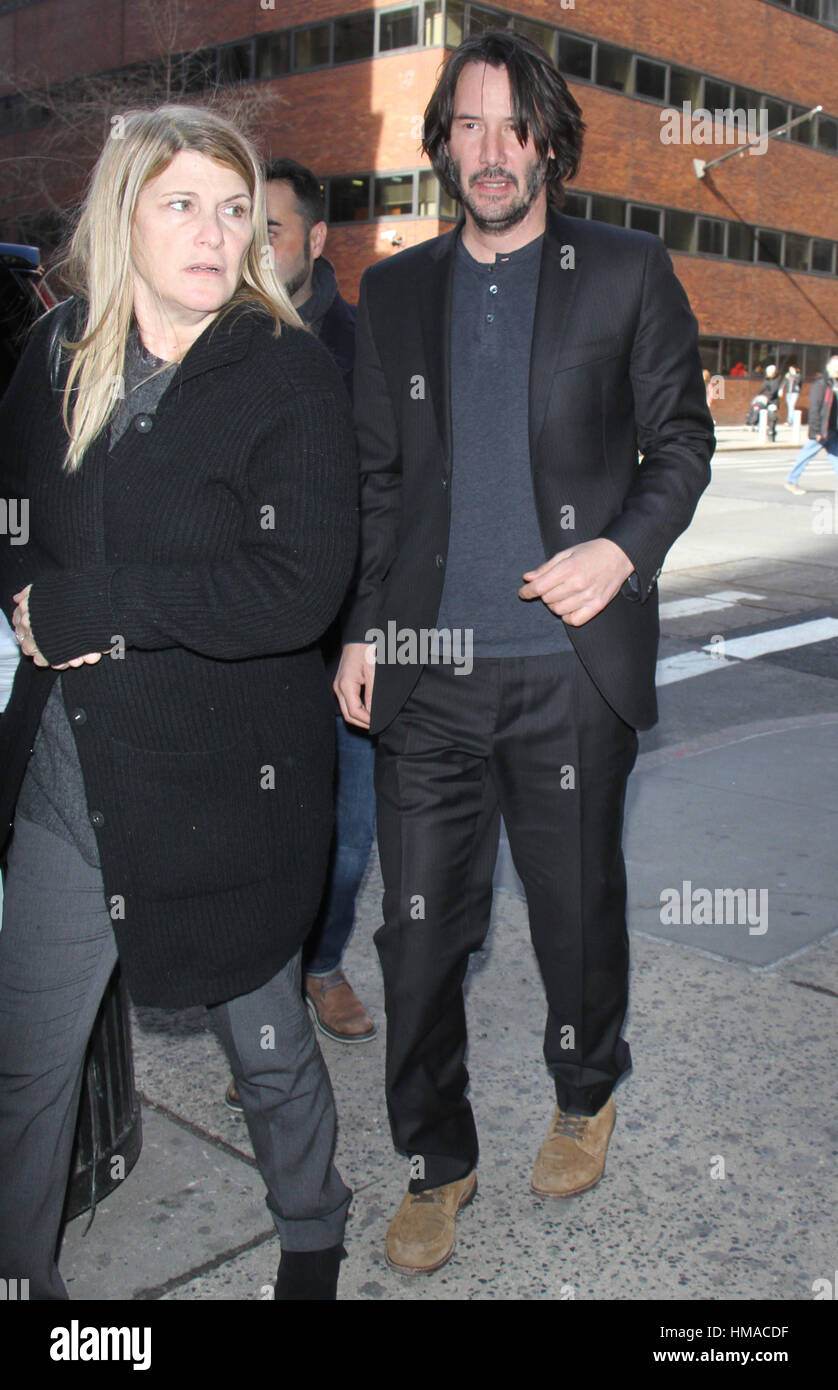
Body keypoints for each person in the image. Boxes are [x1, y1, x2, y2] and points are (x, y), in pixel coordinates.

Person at [334, 29, 714, 1276]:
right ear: (442, 145)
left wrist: (620, 552)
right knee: (419, 932)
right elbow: (378, 483)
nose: (488, 152)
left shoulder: (625, 270)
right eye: (466, 127)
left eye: (510, 126)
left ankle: (583, 1084)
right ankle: (437, 1160)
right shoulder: (392, 292)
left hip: (567, 668)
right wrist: (360, 629)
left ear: (547, 138)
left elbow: (681, 446)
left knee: (575, 914)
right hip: (431, 674)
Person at [0, 105, 358, 1301]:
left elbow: (294, 585)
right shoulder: (53, 358)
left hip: (226, 785)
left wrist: (99, 607)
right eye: (181, 204)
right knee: (28, 1061)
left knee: (263, 1045)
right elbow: (8, 508)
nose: (213, 232)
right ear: (124, 215)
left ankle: (311, 1229)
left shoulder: (285, 370)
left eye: (232, 209)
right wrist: (21, 592)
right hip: (74, 774)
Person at [223, 162, 373, 1126]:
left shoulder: (362, 346)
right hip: (249, 646)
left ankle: (322, 963)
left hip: (348, 643)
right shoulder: (223, 339)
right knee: (257, 834)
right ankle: (260, 999)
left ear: (314, 241)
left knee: (349, 840)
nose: (252, 247)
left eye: (269, 228)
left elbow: (388, 497)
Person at [783, 355, 838, 495]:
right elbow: (815, 409)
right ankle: (791, 480)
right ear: (829, 368)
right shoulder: (821, 384)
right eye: (836, 369)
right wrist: (815, 431)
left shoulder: (834, 383)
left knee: (836, 457)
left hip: (833, 430)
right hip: (822, 429)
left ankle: (791, 480)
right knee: (806, 455)